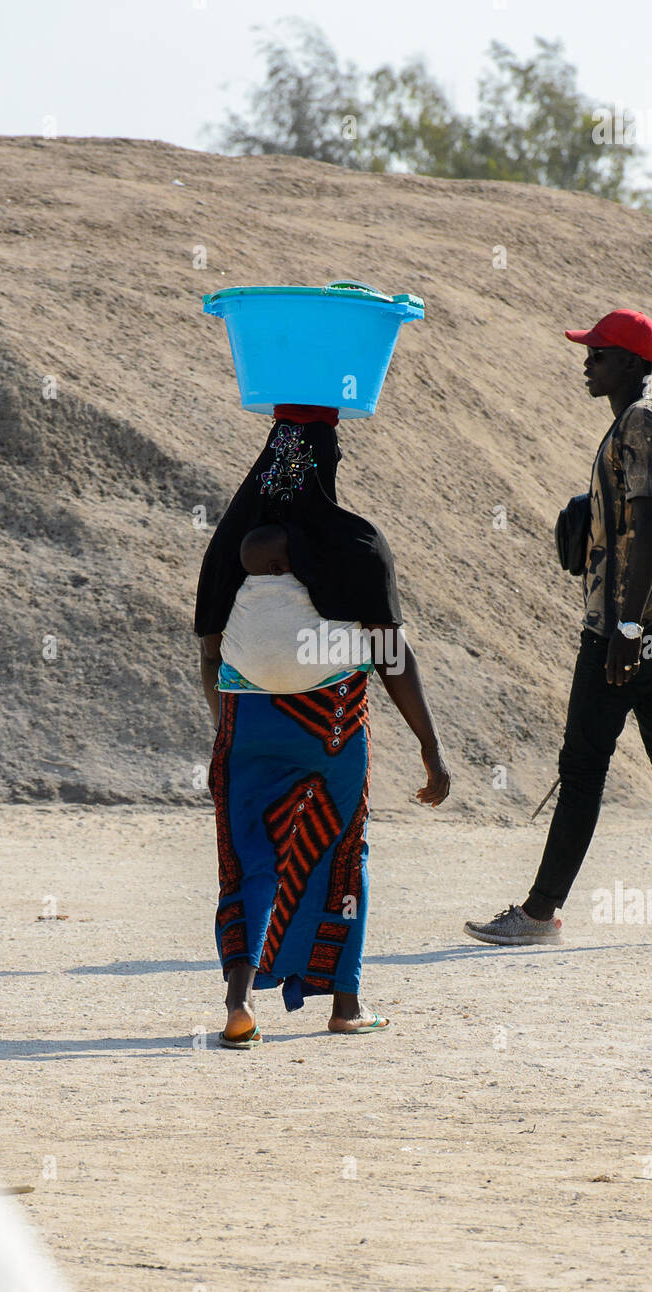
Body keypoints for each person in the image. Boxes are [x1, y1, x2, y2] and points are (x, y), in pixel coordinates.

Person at [465, 310, 652, 946]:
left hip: (628, 626)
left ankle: (539, 916)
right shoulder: (630, 421)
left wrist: (626, 626)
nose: (587, 361)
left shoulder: (643, 422)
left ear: (630, 363)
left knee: (583, 766)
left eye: (598, 353)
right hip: (646, 623)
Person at [196, 404, 450, 1049]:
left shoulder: (232, 541)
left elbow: (209, 652)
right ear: (329, 466)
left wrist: (223, 732)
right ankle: (345, 1003)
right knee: (341, 852)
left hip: (246, 715)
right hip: (331, 721)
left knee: (245, 859)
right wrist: (430, 748)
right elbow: (391, 655)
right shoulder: (354, 542)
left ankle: (237, 1005)